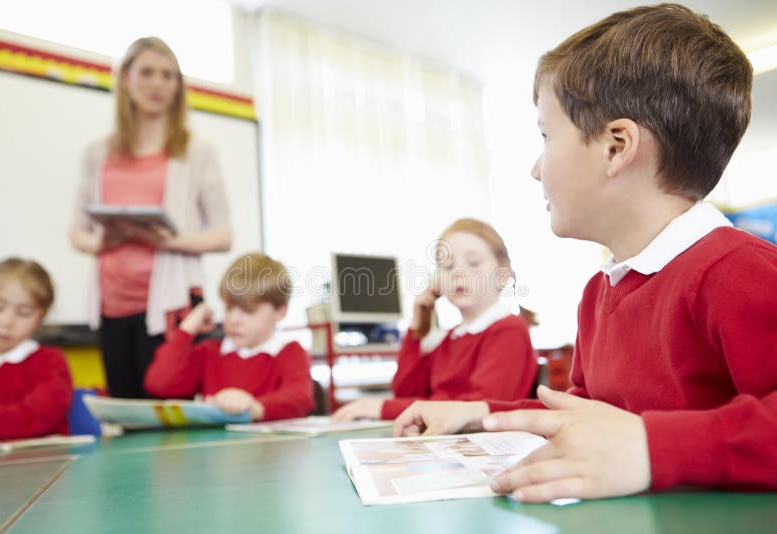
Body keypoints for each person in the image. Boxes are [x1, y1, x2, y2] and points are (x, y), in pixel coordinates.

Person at [393, 3, 777, 502]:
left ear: (616, 147)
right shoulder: (600, 292)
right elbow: (585, 413)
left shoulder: (738, 272)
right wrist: (480, 414)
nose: (535, 169)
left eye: (546, 136)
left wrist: (653, 446)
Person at [69, 37, 232, 398]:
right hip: (111, 307)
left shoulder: (196, 151)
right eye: (147, 73)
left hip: (170, 305)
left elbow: (223, 235)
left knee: (167, 408)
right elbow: (77, 233)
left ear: (178, 86)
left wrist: (168, 240)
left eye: (168, 75)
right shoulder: (98, 152)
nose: (157, 84)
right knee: (126, 408)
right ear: (126, 78)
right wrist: (104, 241)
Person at [332, 218, 538, 422]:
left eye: (473, 263)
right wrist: (416, 327)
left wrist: (382, 408)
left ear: (503, 275)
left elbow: (478, 408)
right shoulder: (452, 338)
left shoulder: (508, 330)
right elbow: (406, 392)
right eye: (447, 266)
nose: (457, 272)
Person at [144, 253, 314, 421]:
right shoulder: (208, 352)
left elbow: (300, 397)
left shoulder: (290, 352)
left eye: (248, 311)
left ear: (280, 312)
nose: (233, 320)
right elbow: (159, 384)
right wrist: (188, 328)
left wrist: (253, 408)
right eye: (228, 308)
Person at [0, 258, 72, 439]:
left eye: (24, 313)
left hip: (42, 464)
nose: (7, 322)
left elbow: (34, 417)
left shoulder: (50, 362)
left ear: (40, 318)